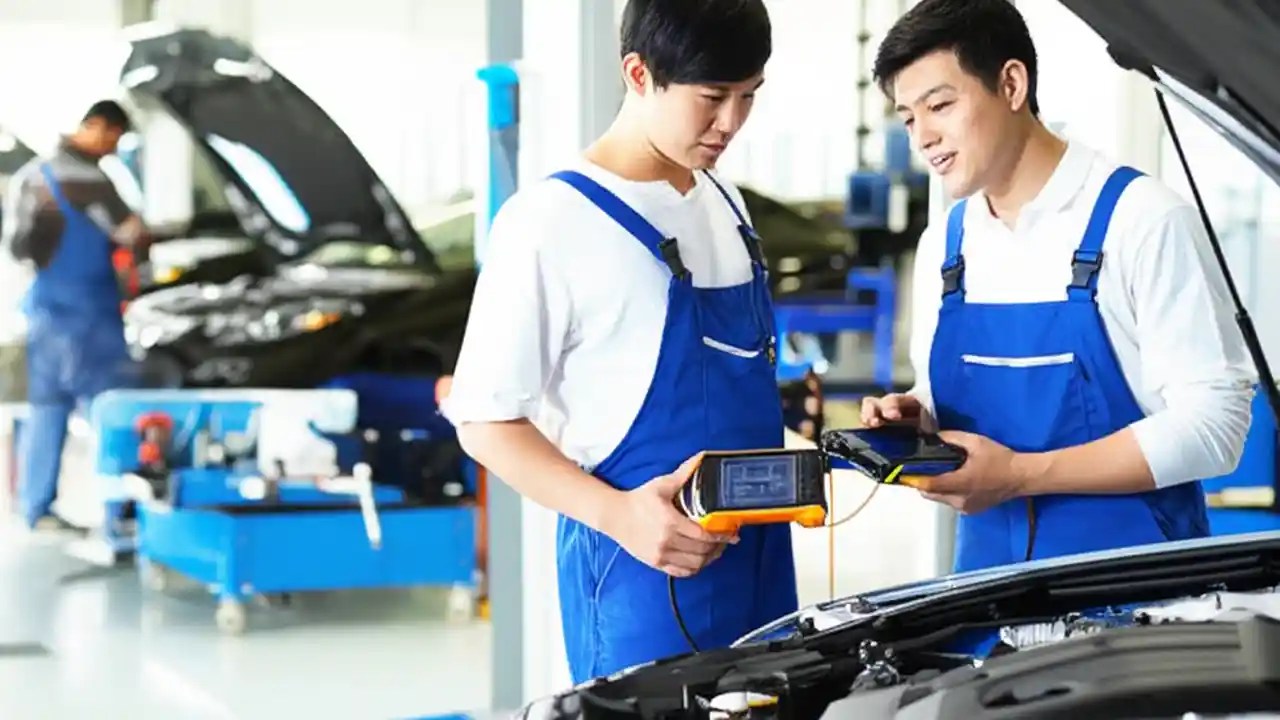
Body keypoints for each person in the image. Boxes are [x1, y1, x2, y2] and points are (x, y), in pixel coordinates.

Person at [443, 0, 795, 683]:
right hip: (641, 576)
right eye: (712, 98)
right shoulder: (550, 221)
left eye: (748, 97)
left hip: (761, 561)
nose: (731, 123)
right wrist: (621, 516)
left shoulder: (727, 204)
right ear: (639, 74)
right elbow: (483, 422)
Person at [861, 0, 1256, 573]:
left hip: (1134, 606)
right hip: (985, 604)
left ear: (1012, 84)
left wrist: (1021, 474)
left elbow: (1216, 426)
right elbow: (947, 393)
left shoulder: (1141, 219)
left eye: (940, 105)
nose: (923, 136)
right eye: (908, 117)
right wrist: (918, 416)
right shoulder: (945, 246)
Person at [1, 99, 149, 531]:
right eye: (114, 137)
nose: (112, 147)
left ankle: (36, 509)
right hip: (91, 314)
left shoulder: (32, 177)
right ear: (98, 127)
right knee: (110, 410)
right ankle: (118, 513)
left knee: (47, 407)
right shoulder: (92, 181)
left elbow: (17, 249)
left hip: (46, 311)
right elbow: (131, 234)